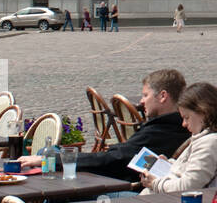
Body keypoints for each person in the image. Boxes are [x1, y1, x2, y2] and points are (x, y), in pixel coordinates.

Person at [22, 69, 189, 182]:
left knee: (48, 158)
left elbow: (113, 160)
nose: (141, 101)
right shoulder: (169, 125)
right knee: (48, 157)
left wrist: (53, 160)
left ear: (162, 96)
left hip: (122, 188)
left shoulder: (163, 129)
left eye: (145, 95)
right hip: (117, 175)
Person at [136, 83, 217, 195]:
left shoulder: (210, 143)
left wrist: (155, 183)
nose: (184, 124)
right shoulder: (207, 137)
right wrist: (169, 164)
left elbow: (188, 186)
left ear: (204, 113)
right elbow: (192, 171)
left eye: (186, 118)